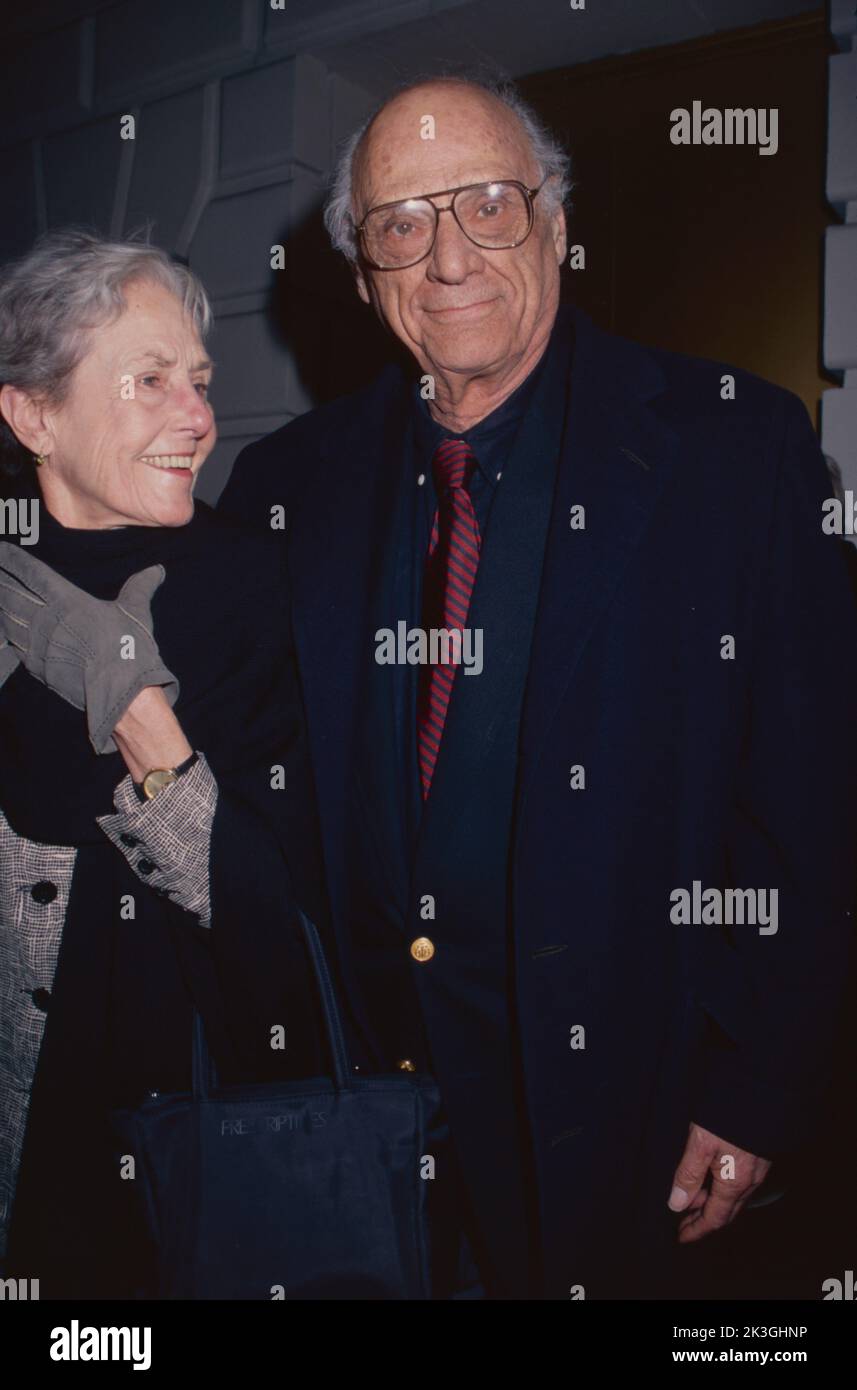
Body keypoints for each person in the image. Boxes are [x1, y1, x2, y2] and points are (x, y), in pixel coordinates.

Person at [218, 75, 857, 1299]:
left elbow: (813, 805)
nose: (446, 253)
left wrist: (754, 1083)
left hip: (629, 1105)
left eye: (489, 205)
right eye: (400, 222)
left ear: (557, 226)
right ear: (361, 275)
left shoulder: (733, 450)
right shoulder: (289, 483)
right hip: (361, 1114)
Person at [0, 230, 329, 1298]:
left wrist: (144, 719)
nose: (197, 419)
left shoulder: (252, 589)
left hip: (179, 1158)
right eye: (148, 380)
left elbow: (278, 931)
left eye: (198, 381)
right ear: (32, 414)